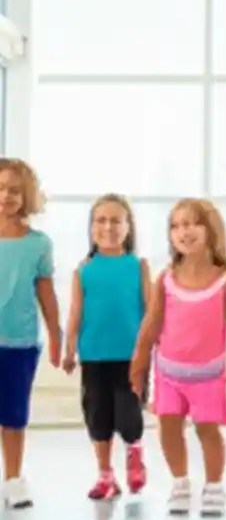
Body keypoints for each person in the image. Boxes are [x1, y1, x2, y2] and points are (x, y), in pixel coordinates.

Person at [129, 198, 226, 517]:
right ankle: (180, 482)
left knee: (207, 430)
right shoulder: (166, 278)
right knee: (168, 427)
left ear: (211, 231)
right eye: (177, 225)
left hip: (208, 376)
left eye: (192, 223)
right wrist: (139, 364)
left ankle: (213, 485)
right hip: (168, 373)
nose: (184, 231)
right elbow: (151, 324)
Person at [62, 193, 151, 500]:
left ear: (129, 226)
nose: (108, 226)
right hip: (94, 355)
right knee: (98, 417)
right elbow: (75, 312)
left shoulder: (138, 266)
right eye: (101, 220)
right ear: (91, 227)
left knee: (129, 415)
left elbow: (151, 310)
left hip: (131, 355)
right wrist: (69, 348)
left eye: (116, 220)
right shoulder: (83, 270)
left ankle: (135, 454)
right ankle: (105, 476)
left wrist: (156, 348)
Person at [0, 158, 60, 509]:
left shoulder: (38, 244)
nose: (5, 195)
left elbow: (46, 293)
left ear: (27, 196)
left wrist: (56, 334)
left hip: (19, 342)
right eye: (0, 188)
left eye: (14, 189)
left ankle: (13, 479)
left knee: (13, 414)